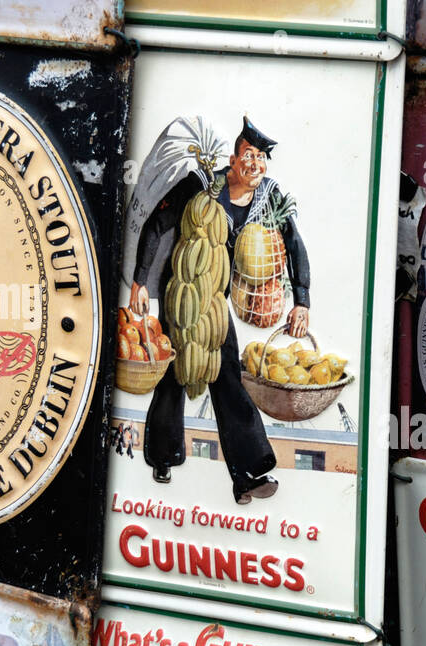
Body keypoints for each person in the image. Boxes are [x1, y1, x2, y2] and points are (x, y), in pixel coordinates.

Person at [130, 117, 311, 505]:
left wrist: (302, 300)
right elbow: (158, 222)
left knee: (226, 374)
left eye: (261, 159)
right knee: (175, 374)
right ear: (233, 157)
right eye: (249, 155)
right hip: (183, 289)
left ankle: (248, 473)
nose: (255, 165)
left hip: (214, 299)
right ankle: (163, 457)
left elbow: (294, 244)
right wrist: (140, 280)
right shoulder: (201, 186)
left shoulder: (268, 196)